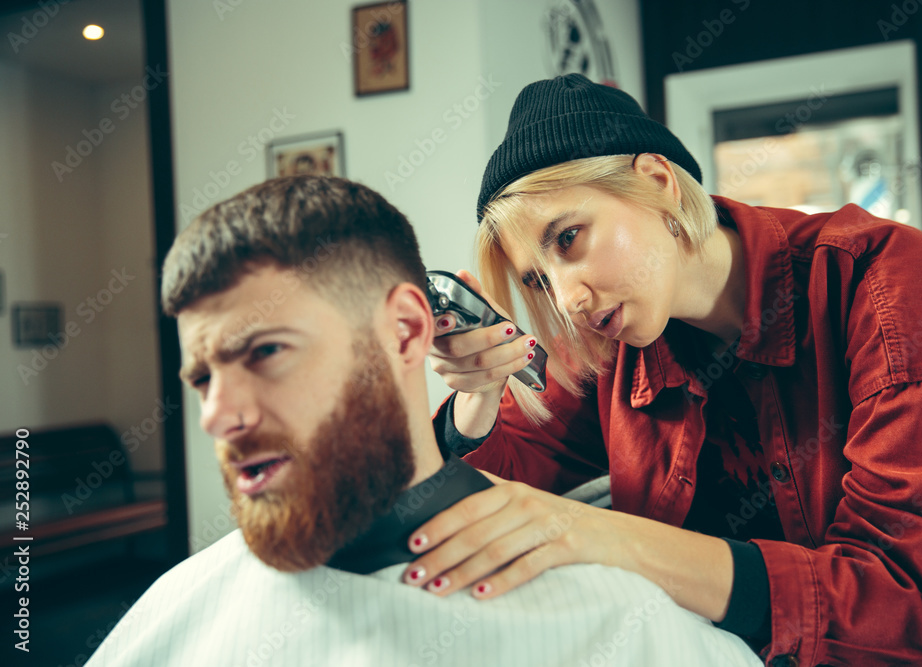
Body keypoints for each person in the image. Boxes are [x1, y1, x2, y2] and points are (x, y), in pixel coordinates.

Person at [411, 74, 922, 666]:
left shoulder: (883, 285)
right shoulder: (613, 340)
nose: (566, 301)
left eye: (569, 238)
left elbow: (899, 602)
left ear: (659, 184)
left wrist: (595, 534)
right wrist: (475, 402)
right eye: (538, 280)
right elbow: (488, 489)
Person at [84, 175, 762, 666]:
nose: (216, 417)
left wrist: (589, 530)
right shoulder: (177, 610)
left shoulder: (626, 629)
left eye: (266, 352)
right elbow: (501, 450)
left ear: (408, 330)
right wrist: (474, 411)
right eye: (202, 378)